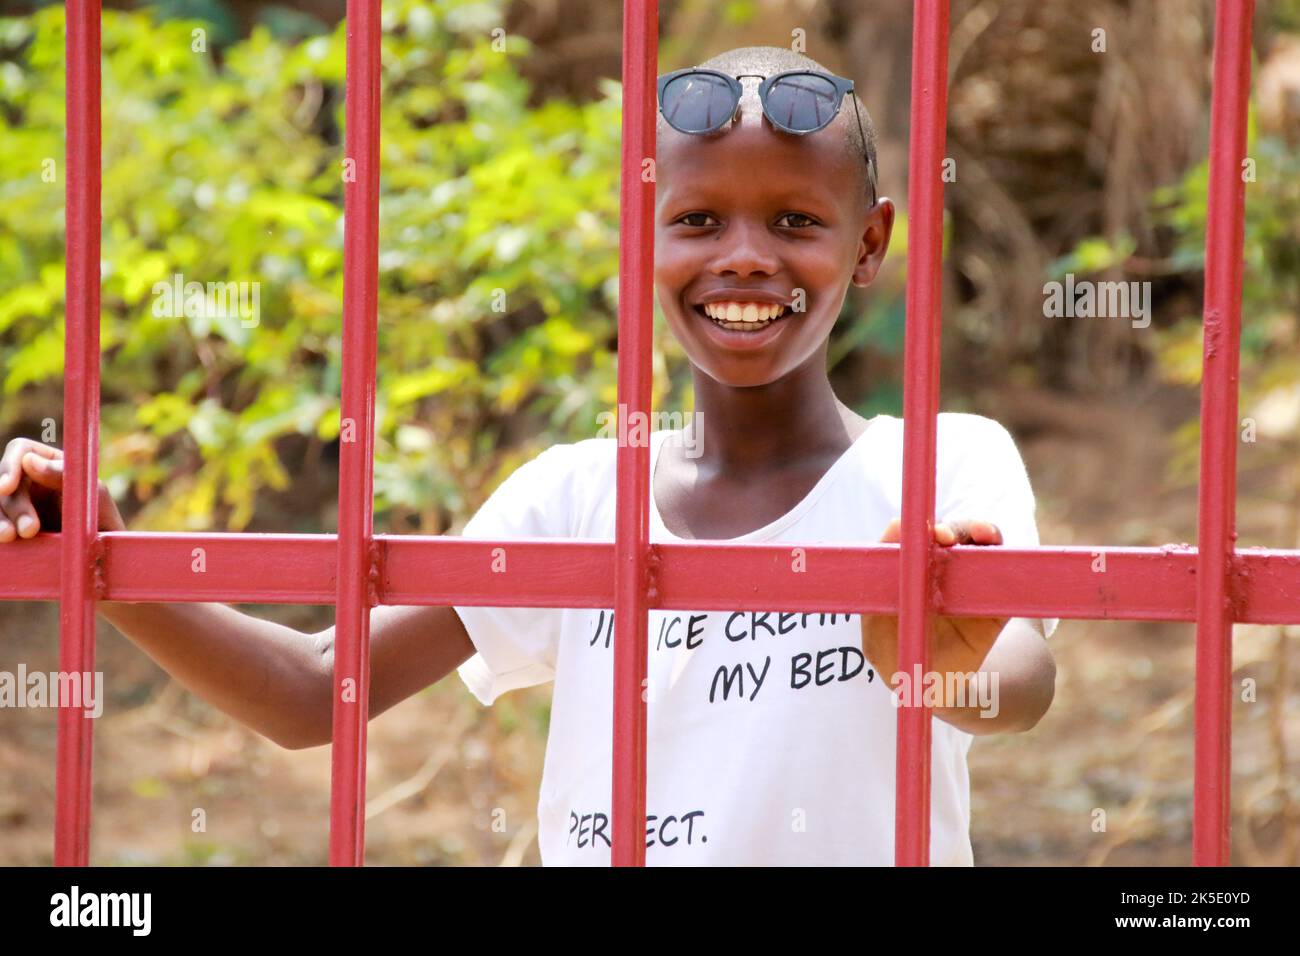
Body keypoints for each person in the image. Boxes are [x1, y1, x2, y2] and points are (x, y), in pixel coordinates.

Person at [0, 45, 1056, 865]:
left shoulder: (940, 466)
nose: (743, 255)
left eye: (793, 218)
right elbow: (314, 690)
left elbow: (1021, 679)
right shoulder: (570, 498)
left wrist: (931, 661)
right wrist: (104, 549)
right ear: (639, 237)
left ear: (868, 243)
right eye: (696, 218)